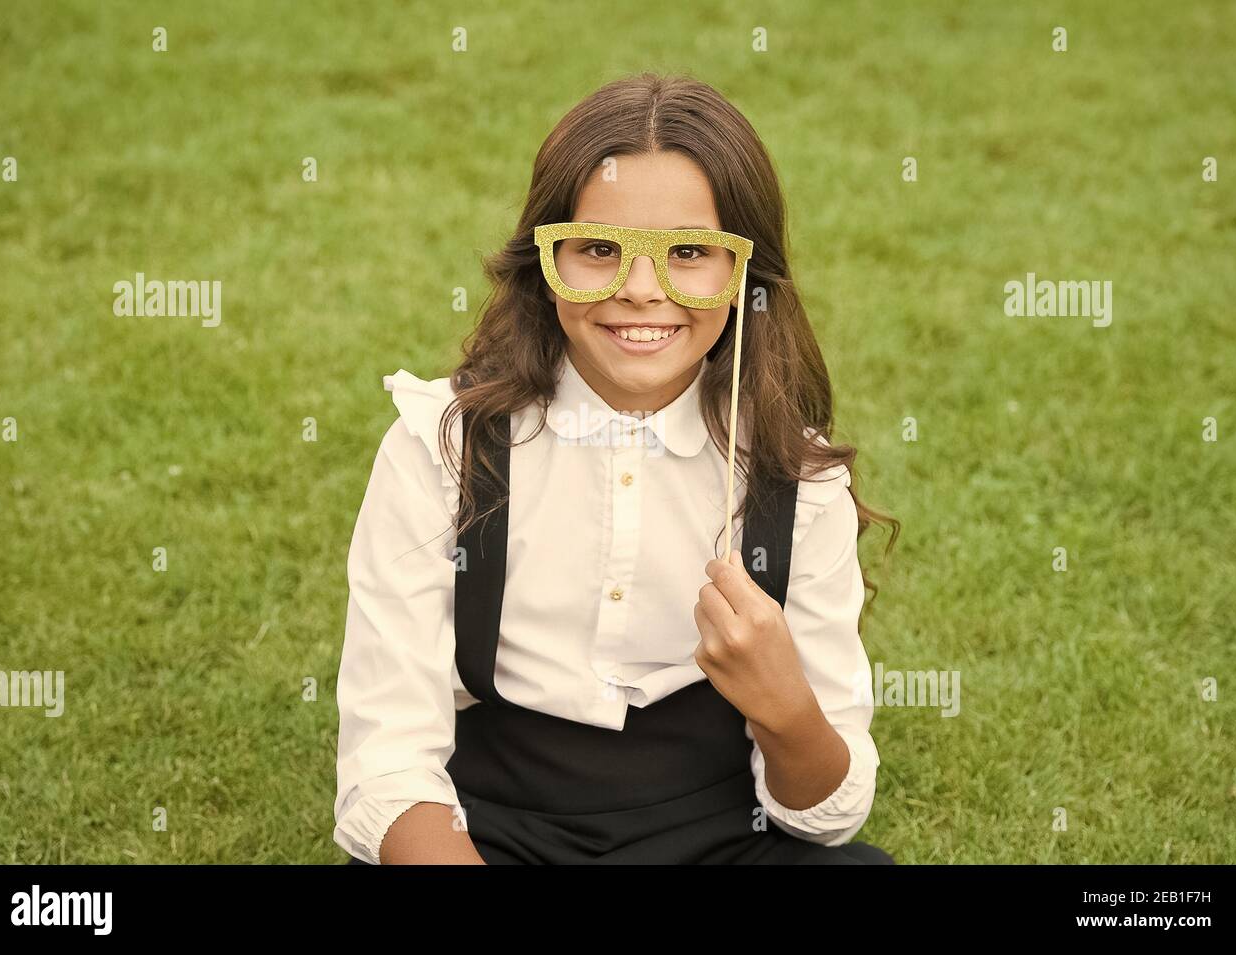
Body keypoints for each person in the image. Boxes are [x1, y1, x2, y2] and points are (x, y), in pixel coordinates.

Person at [334, 72, 898, 865]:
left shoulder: (794, 484)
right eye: (599, 250)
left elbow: (825, 818)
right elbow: (388, 761)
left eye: (690, 253)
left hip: (720, 829)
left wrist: (786, 708)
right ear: (546, 258)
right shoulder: (443, 448)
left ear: (743, 277)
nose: (641, 290)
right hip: (486, 826)